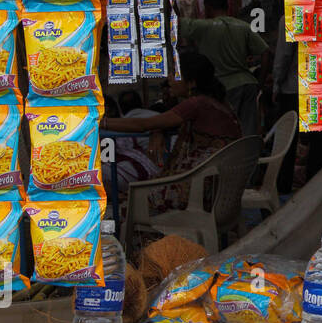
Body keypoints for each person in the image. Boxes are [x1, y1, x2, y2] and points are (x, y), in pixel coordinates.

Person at [101, 51, 243, 212]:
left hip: (202, 192)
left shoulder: (196, 104)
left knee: (130, 206)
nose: (168, 78)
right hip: (221, 187)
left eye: (174, 73)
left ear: (191, 83)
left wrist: (99, 122)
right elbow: (162, 123)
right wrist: (159, 131)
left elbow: (142, 125)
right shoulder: (216, 103)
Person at [179, 0, 270, 137]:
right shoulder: (243, 26)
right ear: (227, 6)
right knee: (248, 132)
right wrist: (259, 83)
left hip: (223, 87)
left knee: (226, 131)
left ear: (207, 7)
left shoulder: (202, 26)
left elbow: (173, 23)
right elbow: (266, 52)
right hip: (247, 84)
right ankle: (250, 159)